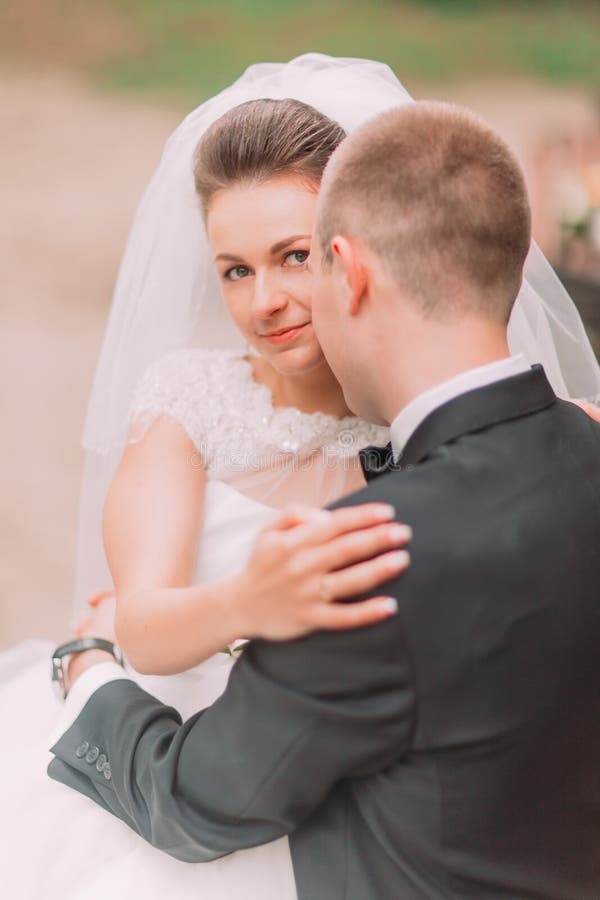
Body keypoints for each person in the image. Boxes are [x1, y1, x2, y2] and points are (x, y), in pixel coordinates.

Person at [2, 54, 600, 899]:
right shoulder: (192, 405)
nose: (266, 301)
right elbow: (138, 619)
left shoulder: (439, 427)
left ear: (351, 257)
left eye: (292, 257)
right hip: (204, 745)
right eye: (235, 271)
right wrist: (241, 604)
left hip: (327, 780)